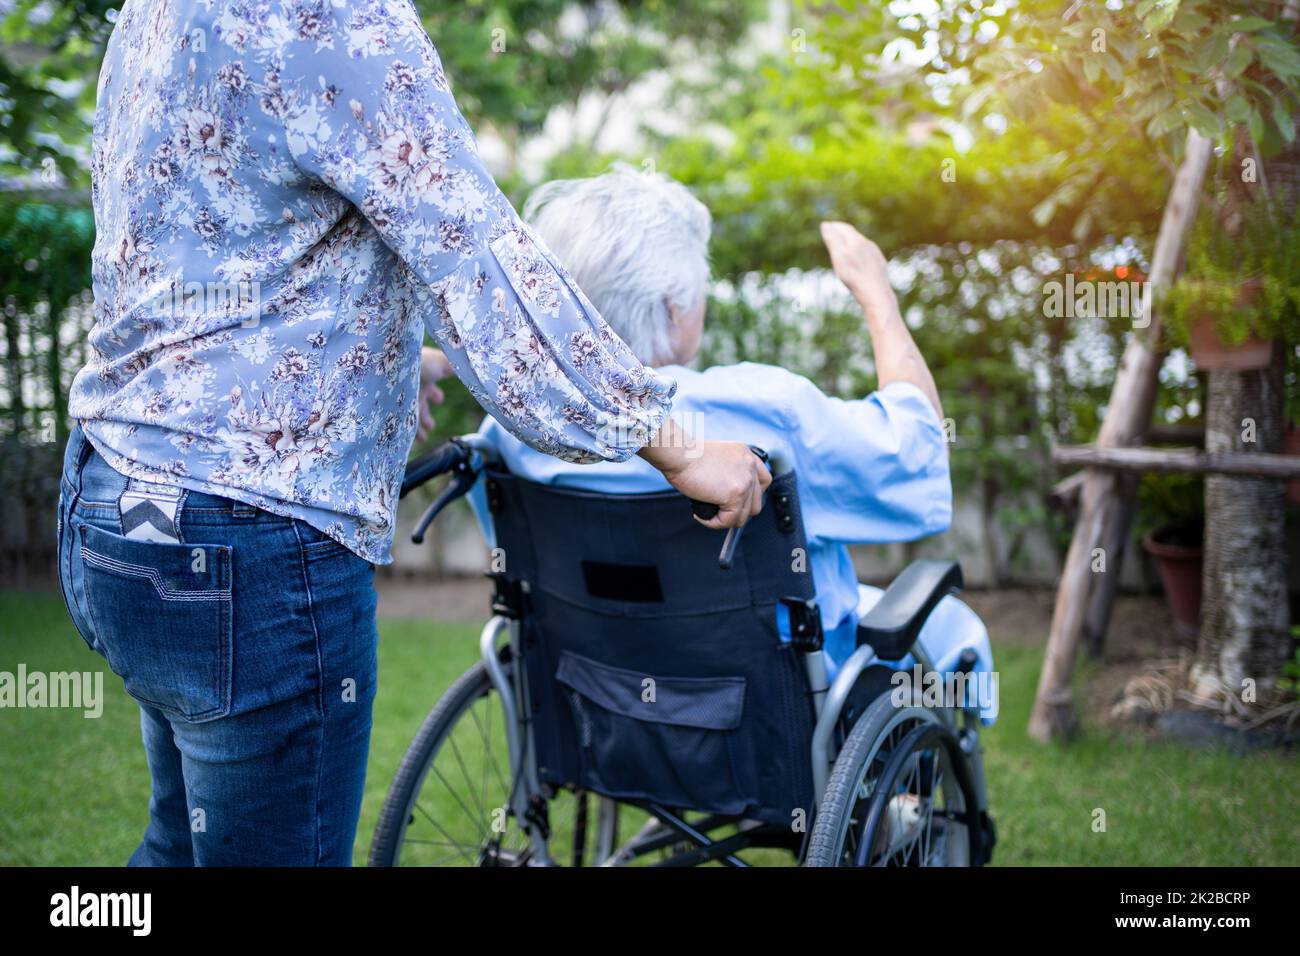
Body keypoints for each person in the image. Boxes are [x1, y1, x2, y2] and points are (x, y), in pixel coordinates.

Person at [57, 2, 768, 866]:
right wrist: (673, 439)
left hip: (116, 498)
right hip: (246, 536)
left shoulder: (159, 12)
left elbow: (217, 251)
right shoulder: (337, 16)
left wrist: (388, 370)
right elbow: (480, 258)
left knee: (179, 845)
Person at [469, 166, 994, 703]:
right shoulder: (766, 410)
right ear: (675, 307)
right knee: (952, 628)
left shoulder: (517, 427)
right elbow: (913, 451)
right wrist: (877, 295)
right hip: (779, 701)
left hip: (606, 687)